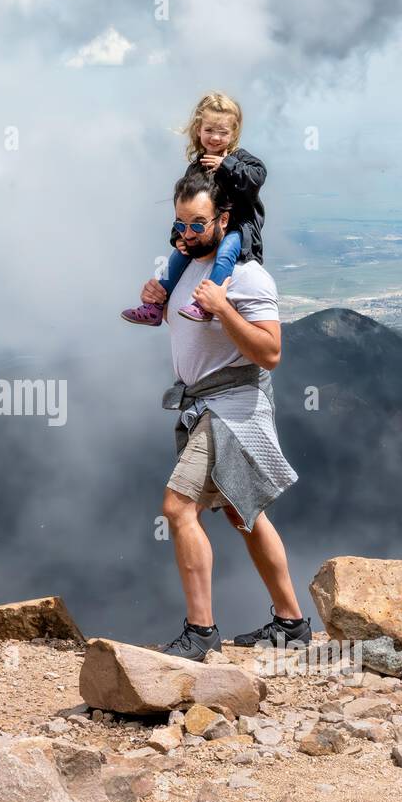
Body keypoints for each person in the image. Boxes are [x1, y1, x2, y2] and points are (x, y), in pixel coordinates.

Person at [138, 172, 312, 660]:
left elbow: (271, 352)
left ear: (224, 219)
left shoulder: (247, 275)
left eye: (198, 225)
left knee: (178, 509)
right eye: (180, 225)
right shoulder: (188, 268)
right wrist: (158, 299)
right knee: (241, 510)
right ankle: (292, 622)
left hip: (233, 406)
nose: (186, 235)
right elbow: (191, 335)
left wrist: (223, 308)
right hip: (203, 403)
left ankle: (201, 631)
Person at [122, 92, 266, 326]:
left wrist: (227, 165)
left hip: (239, 228)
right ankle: (154, 306)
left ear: (234, 133)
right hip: (204, 228)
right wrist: (178, 237)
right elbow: (185, 206)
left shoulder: (242, 160)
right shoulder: (196, 167)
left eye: (223, 132)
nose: (216, 137)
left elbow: (257, 178)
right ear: (198, 130)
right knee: (179, 255)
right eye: (209, 130)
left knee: (226, 253)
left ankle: (205, 305)